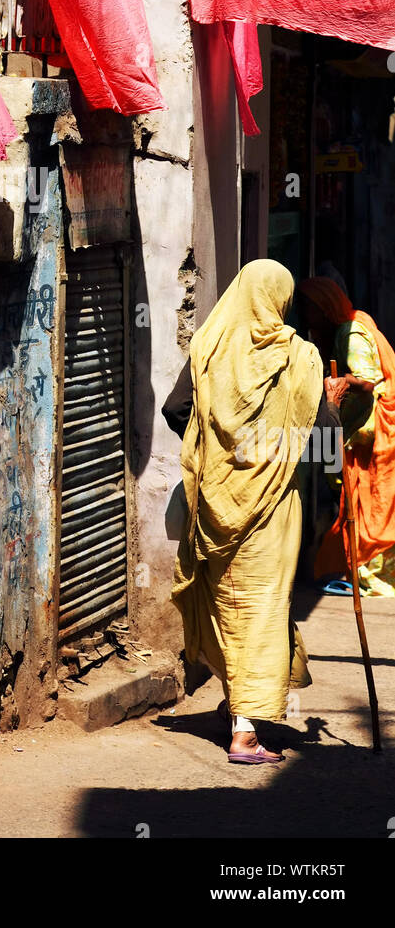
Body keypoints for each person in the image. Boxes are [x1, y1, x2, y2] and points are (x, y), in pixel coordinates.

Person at [163, 260, 344, 764]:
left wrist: (219, 452)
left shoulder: (210, 345)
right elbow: (325, 444)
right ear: (281, 301)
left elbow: (176, 410)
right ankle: (245, 734)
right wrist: (324, 403)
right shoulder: (302, 359)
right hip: (272, 513)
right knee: (262, 611)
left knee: (229, 607)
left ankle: (236, 703)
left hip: (215, 504)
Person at [298, 277, 395, 598]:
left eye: (310, 308)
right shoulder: (356, 322)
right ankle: (363, 569)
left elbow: (367, 380)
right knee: (367, 500)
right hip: (366, 430)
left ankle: (368, 572)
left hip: (370, 432)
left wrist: (334, 383)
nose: (306, 316)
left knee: (367, 502)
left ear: (325, 307)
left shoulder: (350, 331)